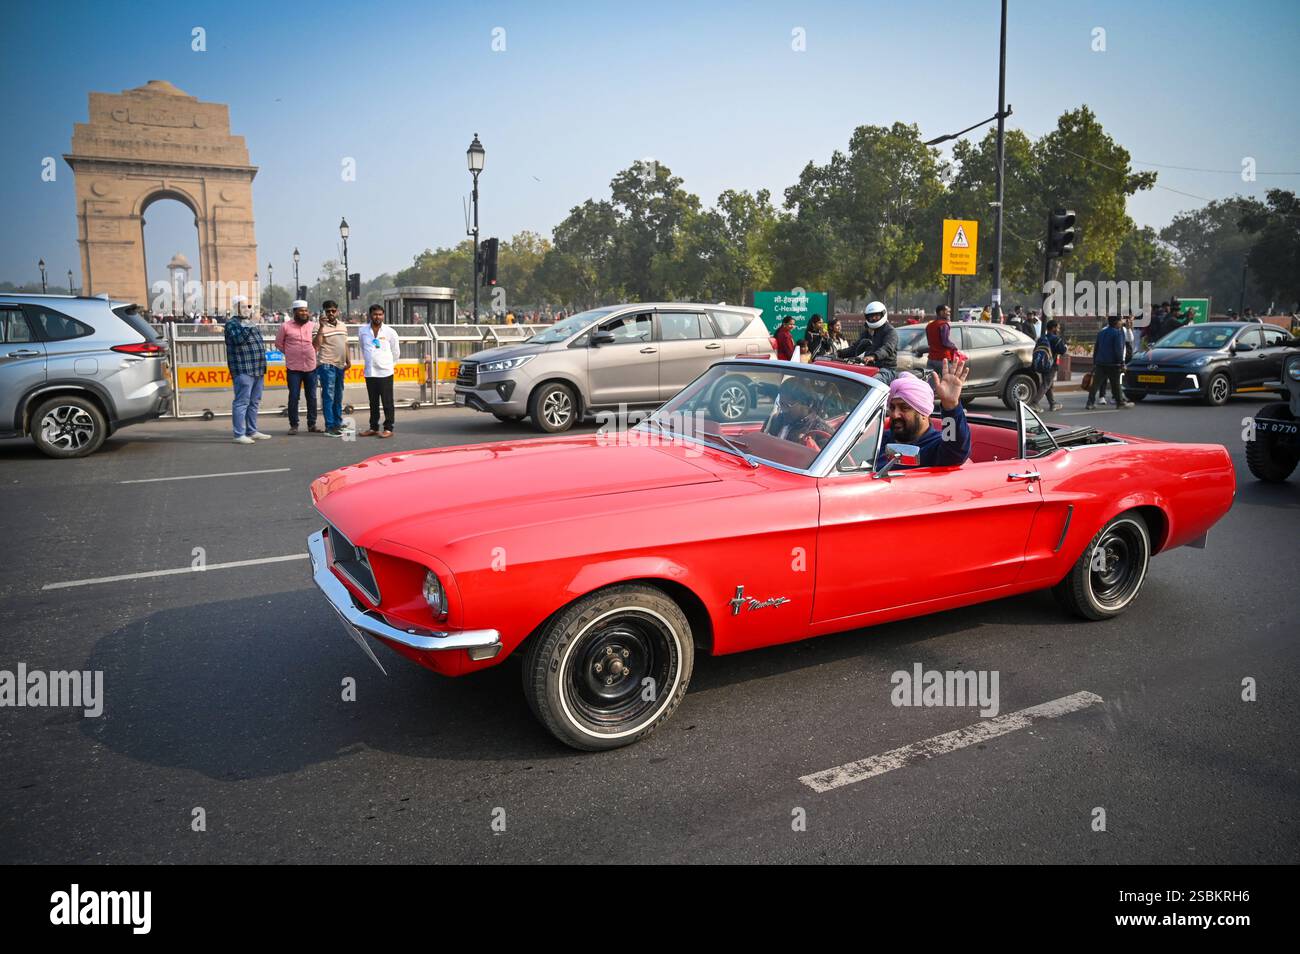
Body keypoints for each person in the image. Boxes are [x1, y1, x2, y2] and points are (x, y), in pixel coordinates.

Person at [874, 360, 972, 470]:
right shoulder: (882, 438)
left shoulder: (934, 446)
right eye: (892, 407)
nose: (895, 415)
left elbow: (955, 451)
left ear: (924, 413)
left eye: (904, 408)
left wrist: (950, 406)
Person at [224, 303, 270, 444]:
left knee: (254, 401)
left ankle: (252, 430)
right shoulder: (231, 323)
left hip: (257, 368)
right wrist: (252, 324)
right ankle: (239, 434)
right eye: (243, 307)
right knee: (242, 402)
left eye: (248, 307)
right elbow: (239, 340)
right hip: (243, 368)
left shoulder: (248, 322)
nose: (247, 309)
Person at [275, 300, 320, 435]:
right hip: (294, 368)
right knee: (294, 396)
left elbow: (318, 343)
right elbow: (278, 343)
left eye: (306, 310)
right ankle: (294, 425)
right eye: (301, 311)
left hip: (311, 367)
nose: (304, 313)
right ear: (294, 312)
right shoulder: (285, 326)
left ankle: (312, 424)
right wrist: (289, 353)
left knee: (311, 396)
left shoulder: (314, 326)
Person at [359, 304, 401, 437]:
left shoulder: (390, 332)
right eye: (375, 314)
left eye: (380, 314)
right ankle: (373, 427)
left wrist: (389, 365)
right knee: (373, 402)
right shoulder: (363, 331)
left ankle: (388, 428)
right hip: (370, 372)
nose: (377, 317)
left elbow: (396, 352)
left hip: (385, 372)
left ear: (383, 315)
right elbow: (362, 347)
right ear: (370, 315)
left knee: (387, 401)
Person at [314, 299, 350, 436]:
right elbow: (316, 346)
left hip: (340, 365)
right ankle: (329, 426)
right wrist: (322, 327)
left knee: (338, 395)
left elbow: (345, 344)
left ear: (337, 311)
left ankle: (337, 423)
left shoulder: (342, 325)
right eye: (328, 311)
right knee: (328, 395)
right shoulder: (318, 327)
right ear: (324, 312)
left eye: (333, 311)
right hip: (326, 364)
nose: (330, 313)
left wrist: (348, 360)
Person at [763, 378, 829, 446]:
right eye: (781, 404)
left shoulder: (820, 432)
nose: (783, 410)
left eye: (788, 405)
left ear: (808, 404)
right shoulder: (774, 420)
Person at [1086, 315, 1130, 410]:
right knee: (1116, 384)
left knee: (1095, 385)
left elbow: (1096, 348)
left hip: (1100, 362)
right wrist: (1122, 363)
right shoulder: (1117, 333)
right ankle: (1120, 403)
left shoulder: (1101, 333)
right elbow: (1118, 350)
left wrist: (1095, 362)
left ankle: (1090, 403)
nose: (1122, 322)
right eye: (1120, 321)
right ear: (1116, 322)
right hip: (1113, 364)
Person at [838, 301, 897, 368]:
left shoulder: (890, 331)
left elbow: (887, 348)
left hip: (885, 369)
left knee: (875, 378)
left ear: (883, 314)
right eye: (871, 316)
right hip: (869, 367)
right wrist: (839, 353)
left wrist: (874, 356)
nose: (873, 318)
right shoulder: (868, 331)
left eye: (877, 315)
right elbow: (855, 348)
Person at [1033, 319, 1068, 412]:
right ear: (1053, 328)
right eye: (1058, 328)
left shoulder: (1042, 338)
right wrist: (1065, 346)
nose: (1058, 330)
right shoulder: (1056, 339)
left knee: (1049, 384)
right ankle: (1034, 402)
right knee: (1046, 384)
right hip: (1052, 365)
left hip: (1041, 364)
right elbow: (1063, 351)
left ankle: (1052, 404)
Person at [925, 303, 959, 377]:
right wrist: (954, 346)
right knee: (947, 383)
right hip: (943, 359)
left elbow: (929, 342)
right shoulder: (943, 325)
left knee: (931, 385)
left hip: (931, 359)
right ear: (941, 312)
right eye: (948, 312)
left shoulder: (929, 326)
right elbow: (945, 342)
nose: (949, 314)